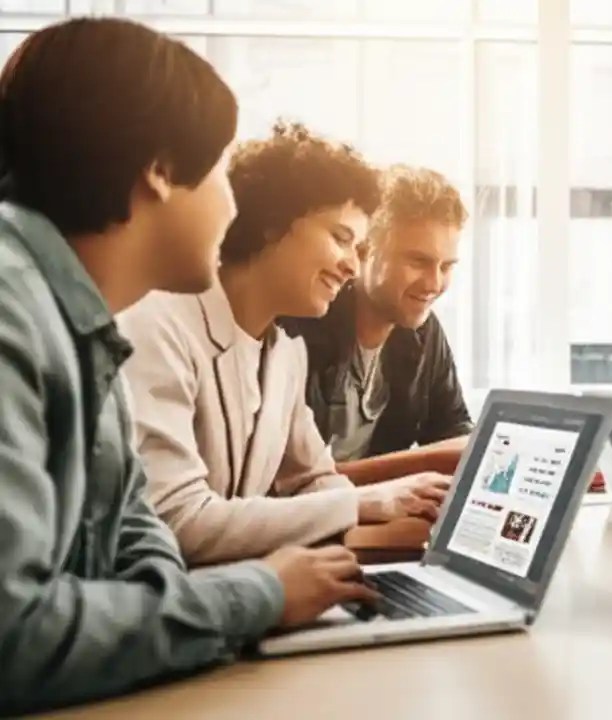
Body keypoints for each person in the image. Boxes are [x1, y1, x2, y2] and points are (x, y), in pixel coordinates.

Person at [0, 19, 374, 714]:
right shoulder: (12, 314)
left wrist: (182, 605)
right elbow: (12, 636)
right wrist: (257, 595)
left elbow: (135, 536)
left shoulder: (85, 325)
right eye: (224, 171)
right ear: (160, 170)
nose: (236, 204)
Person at [118, 122, 448, 567]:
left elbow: (314, 481)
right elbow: (177, 520)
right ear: (273, 225)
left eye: (358, 247)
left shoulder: (284, 355)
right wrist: (364, 502)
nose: (353, 266)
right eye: (341, 238)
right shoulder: (157, 325)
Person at [280, 165, 472, 485]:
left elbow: (455, 433)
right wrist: (422, 463)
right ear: (364, 250)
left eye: (446, 266)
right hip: (309, 514)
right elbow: (289, 481)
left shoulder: (425, 332)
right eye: (418, 261)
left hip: (378, 510)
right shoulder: (300, 322)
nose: (434, 284)